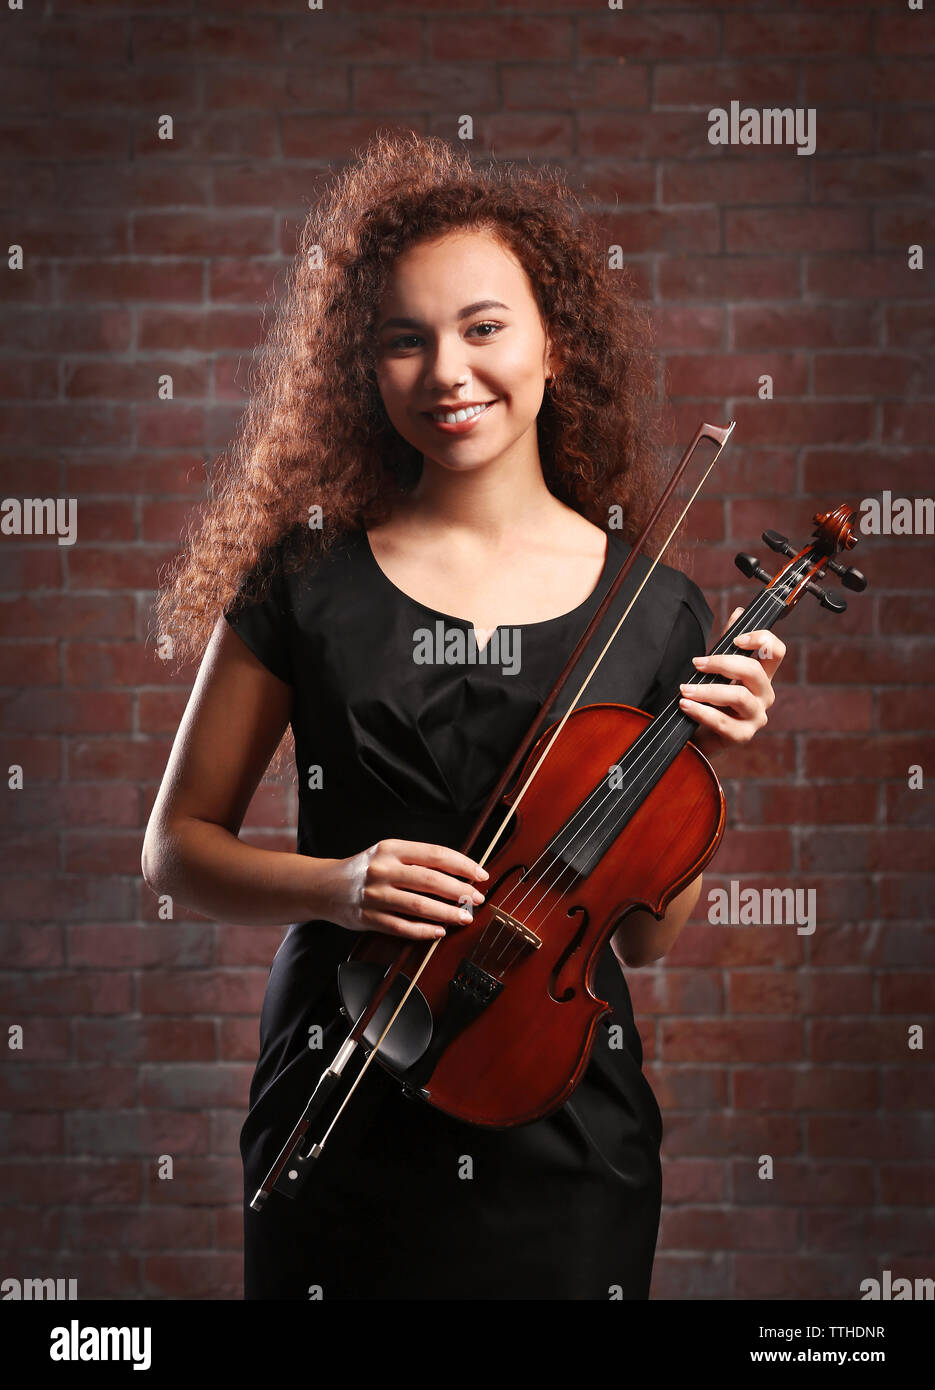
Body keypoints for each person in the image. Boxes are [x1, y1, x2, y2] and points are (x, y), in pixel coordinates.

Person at [142, 131, 786, 1300]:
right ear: (366, 367)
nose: (447, 370)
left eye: (483, 326)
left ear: (554, 341)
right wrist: (340, 885)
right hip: (346, 1069)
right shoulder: (304, 583)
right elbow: (175, 849)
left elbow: (641, 935)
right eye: (405, 338)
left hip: (563, 1120)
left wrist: (705, 760)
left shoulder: (659, 607)